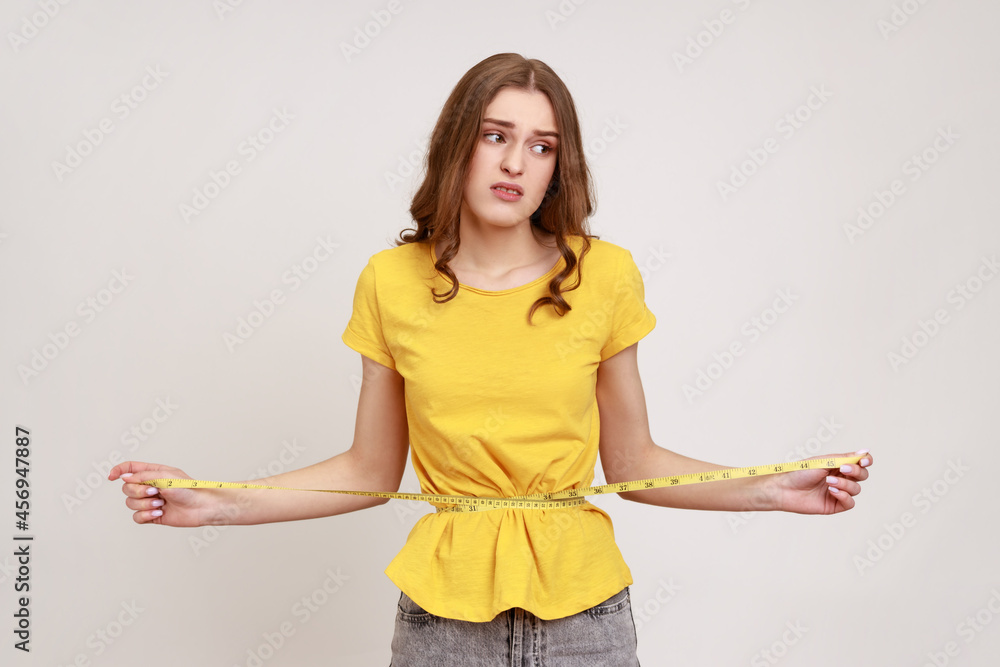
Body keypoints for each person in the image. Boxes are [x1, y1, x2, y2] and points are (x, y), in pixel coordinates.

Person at [108, 53, 874, 666]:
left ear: (557, 168)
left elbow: (635, 461)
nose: (517, 162)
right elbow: (371, 471)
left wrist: (777, 487)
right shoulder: (391, 281)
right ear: (458, 143)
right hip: (443, 625)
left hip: (587, 624)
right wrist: (216, 500)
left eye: (542, 145)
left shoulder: (603, 275)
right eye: (496, 134)